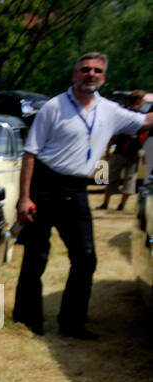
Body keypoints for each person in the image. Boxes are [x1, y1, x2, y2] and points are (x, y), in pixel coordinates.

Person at [15, 52, 153, 338]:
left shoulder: (110, 110)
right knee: (37, 255)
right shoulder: (53, 107)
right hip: (45, 185)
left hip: (76, 190)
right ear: (74, 74)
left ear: (103, 77)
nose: (91, 74)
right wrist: (24, 198)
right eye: (85, 69)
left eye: (97, 71)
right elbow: (30, 154)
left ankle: (72, 323)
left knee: (85, 258)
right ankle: (27, 318)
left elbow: (144, 122)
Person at [99, 89, 147, 211]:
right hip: (135, 152)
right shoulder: (143, 117)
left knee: (112, 178)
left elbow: (113, 134)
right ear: (138, 101)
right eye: (143, 100)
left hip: (119, 151)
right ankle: (122, 205)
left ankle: (106, 203)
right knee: (130, 179)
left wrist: (108, 149)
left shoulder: (123, 115)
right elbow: (145, 137)